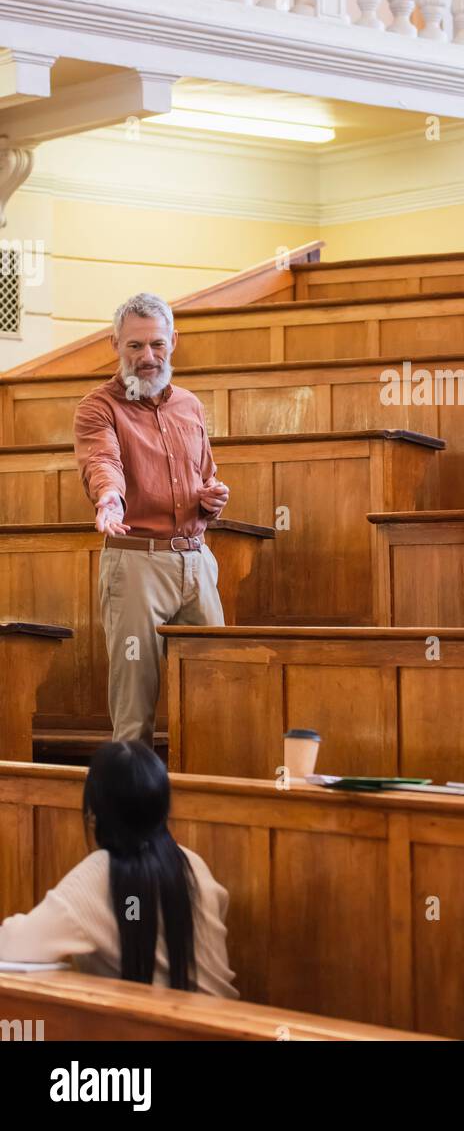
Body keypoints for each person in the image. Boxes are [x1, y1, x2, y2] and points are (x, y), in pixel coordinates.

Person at [72, 293, 230, 747]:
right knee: (135, 706)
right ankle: (127, 813)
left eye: (157, 344)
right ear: (114, 343)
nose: (147, 357)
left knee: (219, 688)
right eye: (135, 346)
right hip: (136, 563)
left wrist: (213, 496)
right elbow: (102, 461)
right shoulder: (98, 407)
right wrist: (109, 499)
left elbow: (206, 475)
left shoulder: (190, 406)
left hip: (197, 563)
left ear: (174, 341)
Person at [0, 741, 239, 997]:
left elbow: (14, 944)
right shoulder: (193, 864)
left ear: (93, 813)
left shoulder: (97, 877)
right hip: (222, 1023)